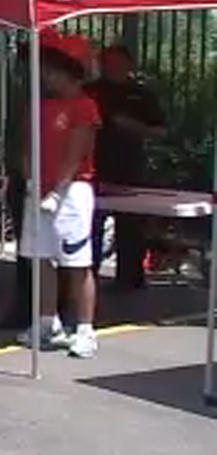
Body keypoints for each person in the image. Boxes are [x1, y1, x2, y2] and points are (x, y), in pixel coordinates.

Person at [18, 33, 103, 359]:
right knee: (41, 259)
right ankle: (46, 322)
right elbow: (28, 148)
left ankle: (84, 329)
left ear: (72, 71)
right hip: (38, 191)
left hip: (71, 193)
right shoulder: (38, 105)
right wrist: (30, 180)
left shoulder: (84, 106)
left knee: (77, 262)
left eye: (53, 69)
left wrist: (58, 189)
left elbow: (76, 151)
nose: (47, 75)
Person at [86, 44, 167, 291]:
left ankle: (130, 277)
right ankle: (87, 275)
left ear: (130, 65)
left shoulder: (142, 94)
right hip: (94, 165)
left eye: (120, 62)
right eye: (109, 62)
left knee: (131, 224)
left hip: (130, 166)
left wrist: (133, 126)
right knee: (91, 223)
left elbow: (161, 131)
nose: (114, 67)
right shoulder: (90, 91)